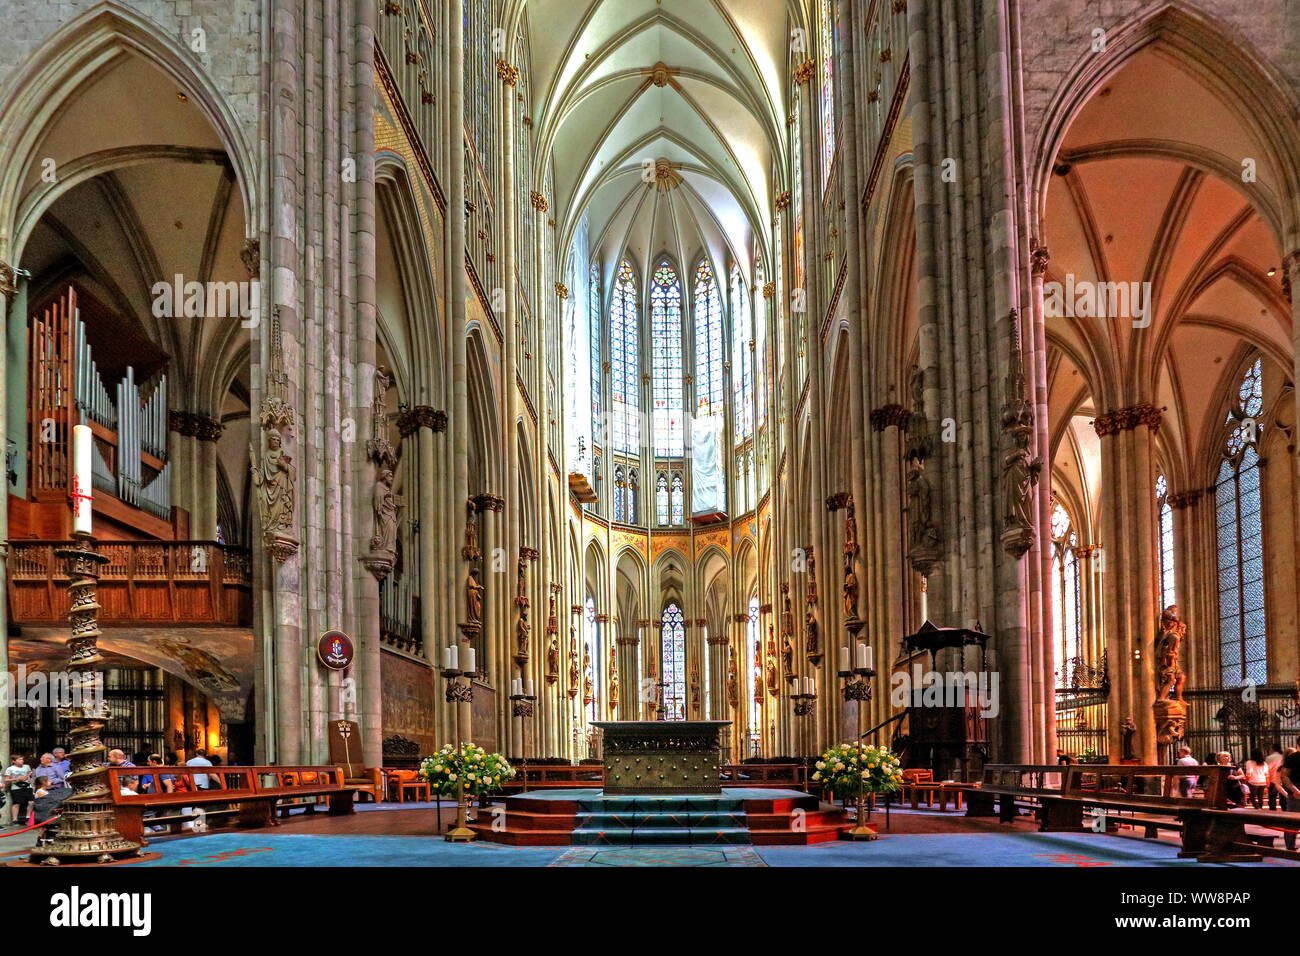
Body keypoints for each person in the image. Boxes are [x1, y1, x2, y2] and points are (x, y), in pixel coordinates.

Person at [1278, 743, 1300, 851]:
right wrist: (1293, 789)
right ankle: (1290, 846)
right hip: (1296, 793)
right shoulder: (1293, 758)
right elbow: (1284, 775)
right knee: (1293, 820)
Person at [4, 754, 33, 827]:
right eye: (19, 759)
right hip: (16, 787)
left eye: (22, 759)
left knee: (31, 802)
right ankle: (15, 820)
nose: (22, 761)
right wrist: (17, 779)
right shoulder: (10, 769)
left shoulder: (27, 766)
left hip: (27, 786)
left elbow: (29, 774)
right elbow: (6, 779)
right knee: (17, 803)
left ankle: (28, 817)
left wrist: (28, 777)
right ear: (14, 761)